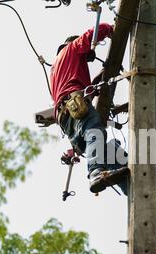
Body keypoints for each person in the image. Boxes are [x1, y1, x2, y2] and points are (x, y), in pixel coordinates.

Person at [50, 22, 129, 195]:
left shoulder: (57, 70)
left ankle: (137, 190)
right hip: (74, 107)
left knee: (110, 153)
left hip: (67, 118)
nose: (86, 59)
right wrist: (111, 29)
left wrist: (101, 77)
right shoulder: (71, 48)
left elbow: (82, 89)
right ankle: (95, 171)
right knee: (94, 128)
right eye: (86, 57)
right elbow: (90, 35)